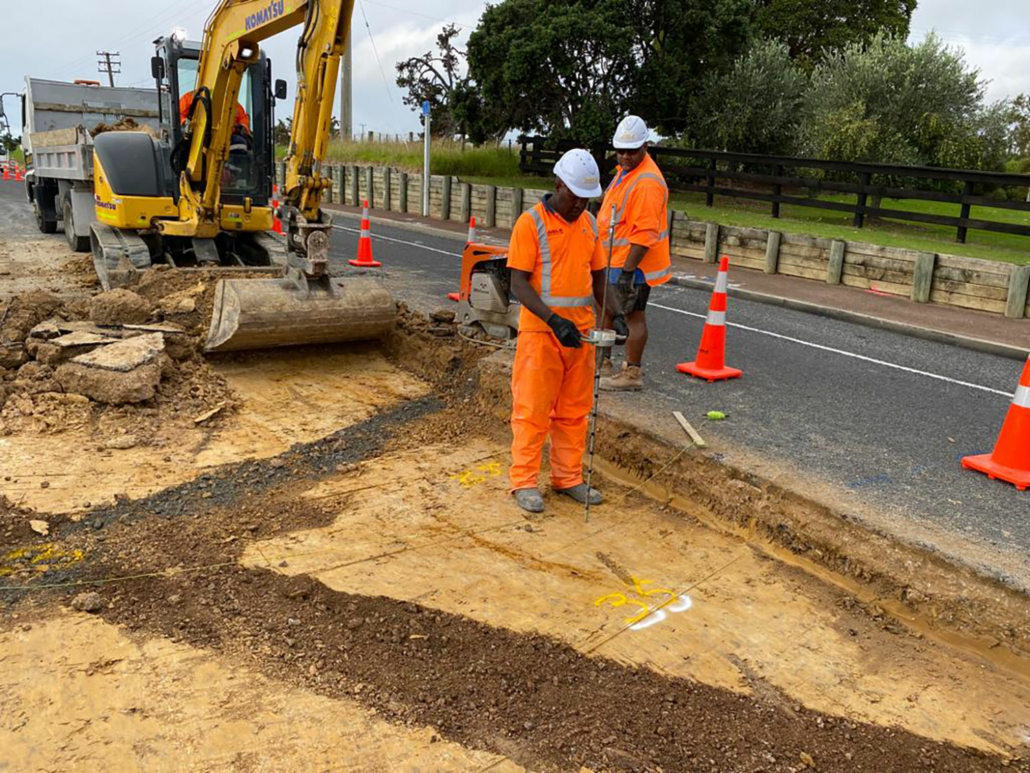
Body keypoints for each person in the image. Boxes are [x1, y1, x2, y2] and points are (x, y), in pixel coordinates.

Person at [507, 149, 629, 514]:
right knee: (533, 410)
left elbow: (598, 280)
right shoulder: (531, 224)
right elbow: (519, 283)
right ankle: (524, 481)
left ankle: (567, 477)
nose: (580, 204)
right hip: (541, 334)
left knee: (574, 412)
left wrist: (616, 313)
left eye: (586, 199)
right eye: (574, 196)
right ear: (558, 184)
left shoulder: (590, 225)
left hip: (581, 335)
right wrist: (553, 320)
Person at [596, 115, 671, 392]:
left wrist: (628, 273)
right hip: (613, 260)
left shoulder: (648, 182)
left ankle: (632, 372)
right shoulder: (625, 172)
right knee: (605, 312)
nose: (625, 156)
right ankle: (602, 364)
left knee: (632, 316)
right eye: (621, 150)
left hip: (632, 266)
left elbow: (644, 234)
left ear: (645, 147)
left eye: (632, 151)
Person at [178, 91, 251, 132]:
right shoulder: (190, 97)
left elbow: (243, 118)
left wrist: (243, 127)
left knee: (240, 143)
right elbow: (178, 115)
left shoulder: (232, 102)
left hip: (227, 137)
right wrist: (185, 122)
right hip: (196, 134)